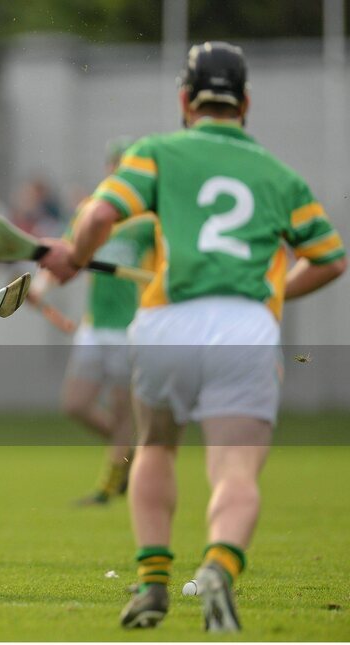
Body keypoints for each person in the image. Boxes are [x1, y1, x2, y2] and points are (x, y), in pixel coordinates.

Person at [38, 42, 346, 632]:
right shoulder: (279, 174)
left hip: (167, 324)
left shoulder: (155, 153)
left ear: (185, 100)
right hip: (247, 328)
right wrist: (275, 294)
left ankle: (153, 582)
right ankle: (219, 565)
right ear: (246, 103)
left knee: (156, 448)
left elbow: (100, 218)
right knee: (235, 471)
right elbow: (331, 259)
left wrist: (75, 256)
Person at [32, 137, 156, 506]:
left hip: (131, 328)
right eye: (114, 167)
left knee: (122, 412)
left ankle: (110, 484)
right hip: (94, 326)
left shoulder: (149, 220)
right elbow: (65, 257)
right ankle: (132, 455)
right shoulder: (91, 212)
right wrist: (40, 287)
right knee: (76, 404)